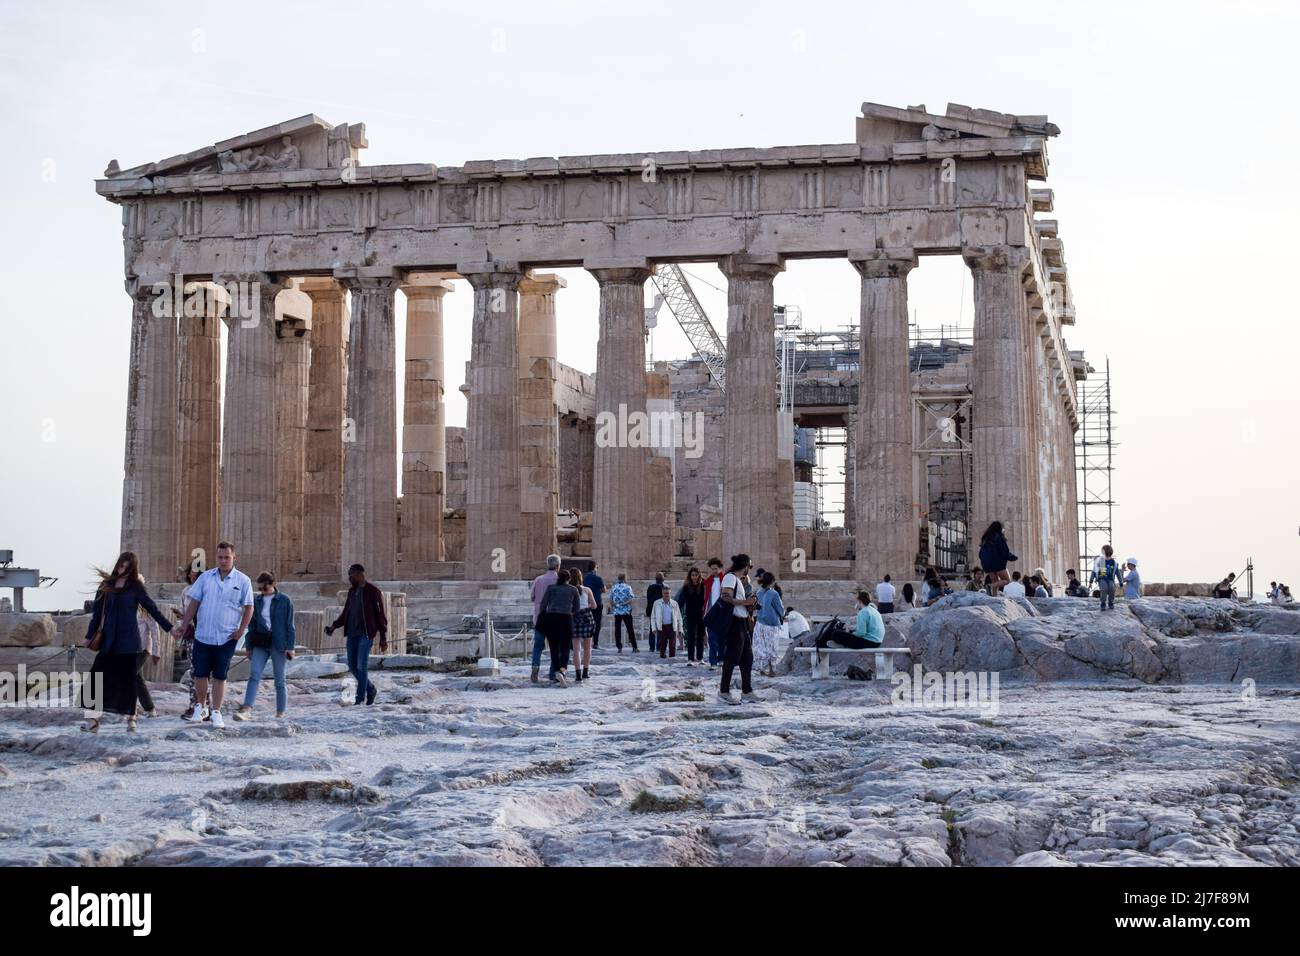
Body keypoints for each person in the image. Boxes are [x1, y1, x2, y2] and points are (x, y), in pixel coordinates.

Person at [79, 552, 175, 733]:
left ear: (132, 568)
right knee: (96, 679)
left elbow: (153, 609)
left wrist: (170, 629)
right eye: (121, 565)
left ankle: (132, 719)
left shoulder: (136, 587)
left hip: (130, 642)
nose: (122, 569)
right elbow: (97, 614)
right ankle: (92, 720)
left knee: (130, 682)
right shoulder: (106, 586)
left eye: (127, 566)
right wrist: (89, 635)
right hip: (109, 641)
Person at [172, 542, 253, 728]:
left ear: (234, 558)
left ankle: (216, 711)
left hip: (226, 636)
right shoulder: (205, 578)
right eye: (220, 557)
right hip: (203, 635)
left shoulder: (243, 580)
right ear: (216, 557)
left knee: (220, 675)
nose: (223, 560)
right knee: (200, 674)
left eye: (227, 557)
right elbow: (194, 603)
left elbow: (249, 607)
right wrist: (184, 625)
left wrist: (242, 630)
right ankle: (201, 707)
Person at [324, 564, 389, 706]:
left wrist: (383, 638)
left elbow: (381, 616)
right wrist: (334, 626)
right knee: (352, 666)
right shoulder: (352, 592)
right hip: (352, 634)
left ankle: (360, 698)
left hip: (366, 634)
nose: (349, 578)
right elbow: (346, 613)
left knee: (361, 666)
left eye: (351, 575)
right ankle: (370, 689)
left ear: (360, 574)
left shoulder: (373, 592)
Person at [234, 572, 295, 721]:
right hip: (260, 643)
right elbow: (252, 625)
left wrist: (290, 647)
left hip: (278, 644)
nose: (262, 591)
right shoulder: (257, 601)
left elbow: (290, 625)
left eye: (264, 588)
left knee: (280, 680)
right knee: (254, 675)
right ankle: (247, 709)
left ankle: (280, 712)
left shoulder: (285, 600)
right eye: (259, 588)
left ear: (273, 584)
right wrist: (249, 647)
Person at [717, 554, 757, 706]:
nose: (749, 569)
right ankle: (724, 691)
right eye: (750, 566)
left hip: (742, 622)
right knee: (731, 658)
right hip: (734, 623)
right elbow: (725, 597)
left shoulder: (738, 580)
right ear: (746, 565)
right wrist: (746, 602)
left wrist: (749, 605)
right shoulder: (730, 578)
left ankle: (747, 692)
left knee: (747, 658)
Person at [815, 590, 884, 662]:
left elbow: (861, 633)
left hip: (869, 643)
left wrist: (851, 633)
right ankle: (836, 643)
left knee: (836, 634)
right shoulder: (874, 611)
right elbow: (867, 629)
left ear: (859, 601)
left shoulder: (863, 612)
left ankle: (841, 643)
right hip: (877, 642)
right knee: (843, 632)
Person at [537, 567, 579, 685]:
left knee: (554, 648)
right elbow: (577, 608)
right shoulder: (573, 589)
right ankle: (563, 670)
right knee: (565, 648)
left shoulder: (551, 588)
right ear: (569, 579)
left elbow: (543, 606)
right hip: (566, 619)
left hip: (552, 619)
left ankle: (556, 672)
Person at [527, 555, 562, 683]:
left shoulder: (539, 579)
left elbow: (532, 597)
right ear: (558, 566)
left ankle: (535, 667)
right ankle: (553, 673)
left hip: (540, 618)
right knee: (555, 647)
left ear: (547, 565)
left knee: (538, 646)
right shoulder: (560, 580)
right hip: (556, 618)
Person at [134, 575, 162, 719]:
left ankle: (129, 711)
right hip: (127, 647)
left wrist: (156, 652)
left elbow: (154, 629)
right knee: (137, 678)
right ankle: (150, 709)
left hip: (143, 648)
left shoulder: (145, 606)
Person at [752, 570, 785, 678]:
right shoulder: (774, 593)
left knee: (760, 646)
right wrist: (782, 615)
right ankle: (771, 671)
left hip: (760, 623)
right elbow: (780, 609)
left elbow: (756, 607)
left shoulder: (758, 592)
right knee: (772, 647)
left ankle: (761, 669)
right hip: (771, 624)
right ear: (772, 581)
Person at [676, 567, 707, 666]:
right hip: (690, 614)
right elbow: (682, 601)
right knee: (690, 637)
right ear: (690, 576)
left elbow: (705, 600)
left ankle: (700, 657)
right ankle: (690, 658)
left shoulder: (702, 586)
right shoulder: (686, 587)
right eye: (692, 575)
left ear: (699, 575)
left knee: (700, 636)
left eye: (696, 575)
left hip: (701, 614)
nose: (694, 577)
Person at [978, 522, 1018, 595]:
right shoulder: (999, 537)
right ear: (999, 529)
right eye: (1003, 528)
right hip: (997, 563)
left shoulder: (986, 539)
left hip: (986, 564)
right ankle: (990, 586)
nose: (1003, 530)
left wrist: (985, 561)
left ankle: (994, 597)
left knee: (995, 581)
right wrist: (1013, 557)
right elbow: (1004, 551)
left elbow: (980, 553)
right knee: (1007, 580)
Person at [571, 568, 597, 681]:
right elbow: (594, 605)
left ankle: (578, 674)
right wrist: (586, 606)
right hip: (587, 618)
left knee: (576, 649)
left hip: (574, 618)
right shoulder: (587, 590)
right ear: (580, 577)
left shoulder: (569, 590)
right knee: (587, 648)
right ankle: (585, 672)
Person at [702, 557, 726, 670]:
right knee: (712, 638)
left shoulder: (725, 580)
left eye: (716, 569)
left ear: (720, 568)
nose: (714, 571)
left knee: (722, 638)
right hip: (711, 612)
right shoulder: (708, 581)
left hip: (722, 612)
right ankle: (713, 662)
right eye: (712, 569)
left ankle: (721, 658)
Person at [651, 583, 684, 659]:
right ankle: (662, 658)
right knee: (662, 645)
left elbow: (679, 617)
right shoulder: (656, 603)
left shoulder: (675, 604)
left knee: (672, 645)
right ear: (662, 593)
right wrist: (654, 628)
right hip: (661, 627)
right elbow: (653, 617)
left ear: (670, 593)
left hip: (672, 626)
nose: (666, 595)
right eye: (665, 593)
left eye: (668, 593)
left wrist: (680, 629)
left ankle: (672, 660)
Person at [609, 574, 637, 652]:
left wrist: (615, 606)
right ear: (625, 578)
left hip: (617, 612)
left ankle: (619, 647)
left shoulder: (614, 587)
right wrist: (625, 603)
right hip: (626, 611)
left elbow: (611, 600)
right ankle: (634, 647)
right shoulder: (628, 587)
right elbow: (631, 599)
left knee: (617, 630)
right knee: (630, 629)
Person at [1089, 545, 1120, 610]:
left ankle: (1110, 602)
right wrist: (1091, 581)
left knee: (1112, 589)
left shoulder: (1113, 562)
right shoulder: (1100, 561)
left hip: (1110, 579)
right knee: (1104, 589)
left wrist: (1121, 581)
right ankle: (1103, 603)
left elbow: (1117, 572)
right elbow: (1094, 571)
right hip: (1102, 578)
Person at [583, 561, 606, 648]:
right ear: (594, 568)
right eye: (597, 567)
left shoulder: (584, 578)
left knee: (588, 623)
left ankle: (587, 642)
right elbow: (604, 590)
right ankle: (595, 643)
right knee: (597, 623)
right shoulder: (598, 578)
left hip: (587, 603)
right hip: (597, 603)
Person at [645, 572, 666, 653]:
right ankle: (659, 646)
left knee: (652, 629)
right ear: (663, 579)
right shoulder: (664, 587)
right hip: (661, 610)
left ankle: (651, 647)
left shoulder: (650, 587)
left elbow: (648, 599)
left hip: (652, 610)